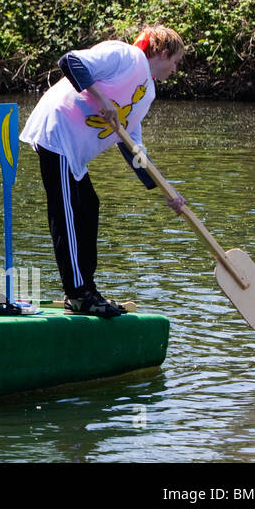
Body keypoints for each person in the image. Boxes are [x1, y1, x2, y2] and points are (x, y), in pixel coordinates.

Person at [19, 25, 186, 317]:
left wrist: (166, 190)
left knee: (88, 207)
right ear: (163, 52)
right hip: (56, 132)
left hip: (75, 152)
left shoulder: (147, 93)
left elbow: (132, 147)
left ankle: (86, 289)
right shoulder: (124, 55)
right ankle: (78, 292)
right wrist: (101, 97)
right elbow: (69, 62)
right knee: (67, 212)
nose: (175, 69)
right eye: (176, 61)